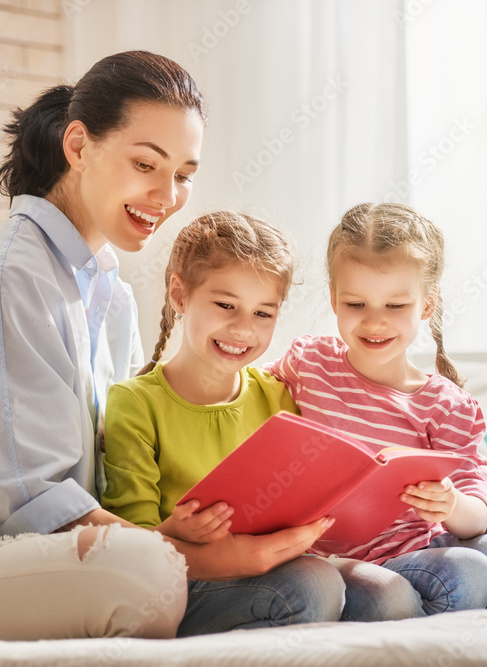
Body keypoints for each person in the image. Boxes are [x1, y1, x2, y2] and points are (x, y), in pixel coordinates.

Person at [0, 51, 330, 644]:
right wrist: (213, 559)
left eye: (183, 174)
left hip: (29, 567)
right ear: (77, 146)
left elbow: (116, 464)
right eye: (146, 164)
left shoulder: (113, 293)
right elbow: (35, 498)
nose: (166, 194)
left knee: (305, 586)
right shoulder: (0, 269)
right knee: (144, 571)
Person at [267, 202, 487, 622]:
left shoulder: (446, 406)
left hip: (420, 552)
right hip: (334, 561)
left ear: (427, 305)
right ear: (334, 299)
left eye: (395, 307)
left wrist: (450, 505)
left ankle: (445, 590)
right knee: (464, 574)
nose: (375, 323)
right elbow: (244, 401)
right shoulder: (309, 363)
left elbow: (478, 517)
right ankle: (431, 594)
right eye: (356, 304)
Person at [99, 211, 345, 636]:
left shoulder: (278, 396)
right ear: (179, 294)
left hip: (273, 568)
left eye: (263, 313)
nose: (243, 328)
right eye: (226, 305)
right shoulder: (135, 403)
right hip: (185, 585)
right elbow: (131, 543)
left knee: (383, 592)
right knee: (314, 586)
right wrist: (174, 528)